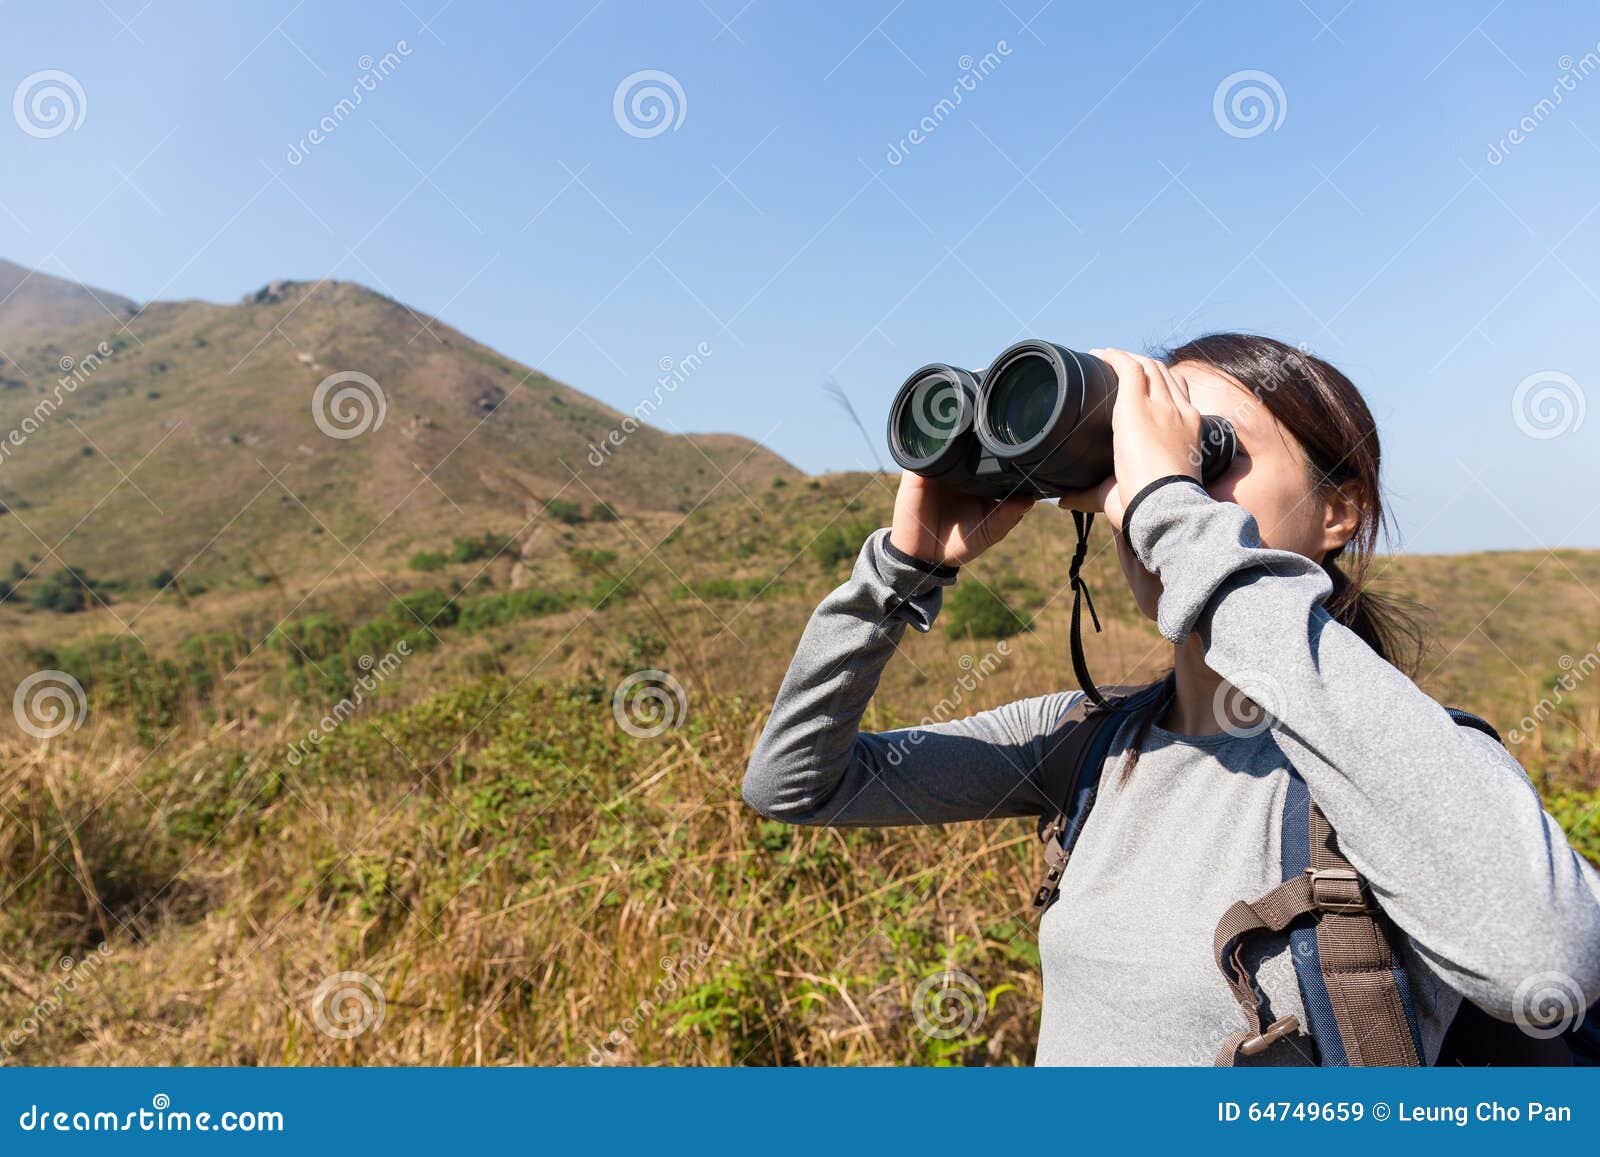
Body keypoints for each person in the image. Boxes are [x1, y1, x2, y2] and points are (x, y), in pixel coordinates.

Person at [741, 333, 1600, 1065]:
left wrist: (1178, 517)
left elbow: (1547, 959)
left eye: (1205, 451)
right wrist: (903, 569)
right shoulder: (1086, 741)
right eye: (1140, 453)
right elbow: (795, 783)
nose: (1151, 492)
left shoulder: (1393, 764)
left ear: (1338, 510)